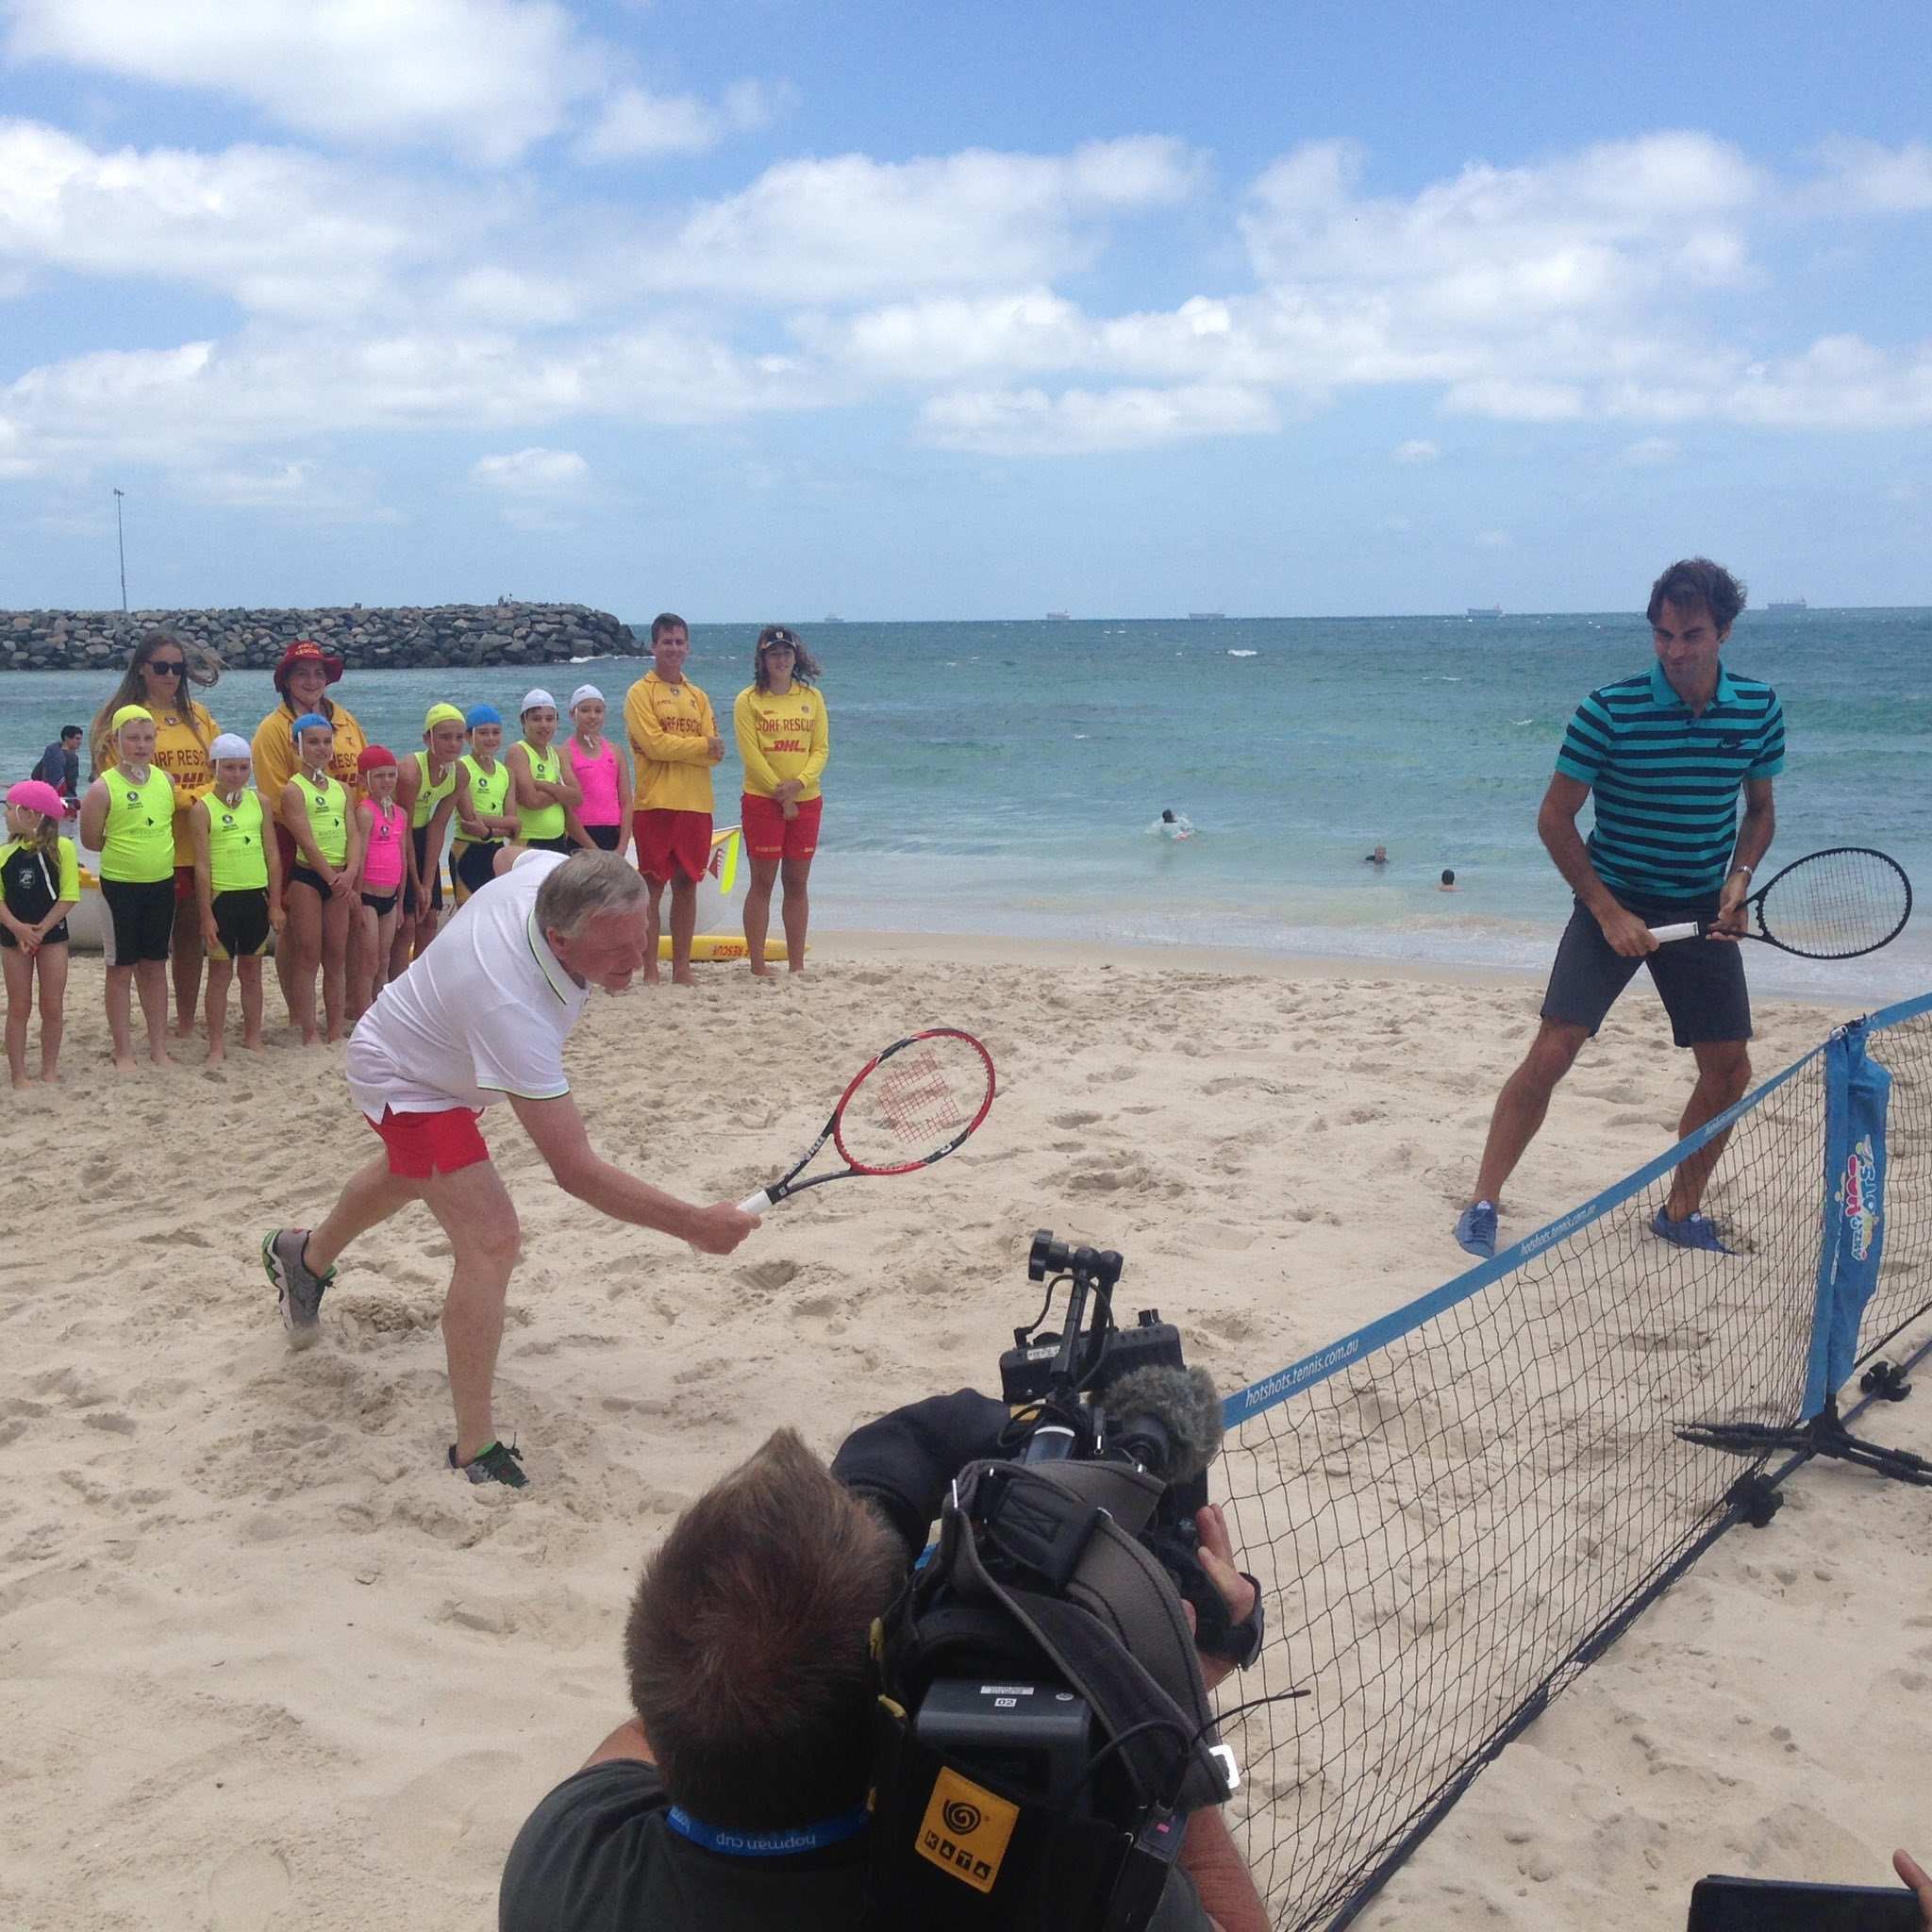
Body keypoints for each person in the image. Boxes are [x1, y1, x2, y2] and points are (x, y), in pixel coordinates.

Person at [498, 1419, 1268, 1930]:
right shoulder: (1054, 1894)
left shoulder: (566, 1867)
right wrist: (1160, 1699)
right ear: (896, 1697)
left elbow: (665, 1722)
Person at [259, 849, 758, 1487]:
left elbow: (499, 853)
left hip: (452, 1059)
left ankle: (302, 1258)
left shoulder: (553, 875)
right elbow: (575, 1170)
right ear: (557, 937)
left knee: (412, 1174)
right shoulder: (510, 1006)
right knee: (491, 1239)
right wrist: (694, 1224)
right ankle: (475, 1449)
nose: (638, 960)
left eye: (643, 936)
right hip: (408, 1078)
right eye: (617, 952)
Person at [1455, 558, 1783, 1261]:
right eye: (1662, 634)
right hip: (1614, 897)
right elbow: (1554, 820)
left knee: (1729, 1071)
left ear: (1724, 631)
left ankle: (1680, 1209)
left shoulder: (1759, 709)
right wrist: (1605, 912)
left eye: (1691, 634)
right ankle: (1482, 1200)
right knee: (1553, 1049)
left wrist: (1739, 880)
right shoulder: (1608, 711)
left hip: (1701, 905)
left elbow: (1759, 812)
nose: (1674, 651)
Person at [90, 631, 221, 1040]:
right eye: (161, 667)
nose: (170, 675)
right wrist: (183, 797)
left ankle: (183, 1020)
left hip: (196, 843)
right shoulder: (126, 718)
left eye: (177, 668)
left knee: (189, 937)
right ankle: (140, 1030)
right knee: (141, 951)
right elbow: (115, 780)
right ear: (143, 669)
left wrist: (193, 799)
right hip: (146, 850)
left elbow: (222, 770)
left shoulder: (198, 716)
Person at [251, 640, 370, 1024]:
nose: (311, 680)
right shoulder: (272, 730)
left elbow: (362, 778)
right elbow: (274, 795)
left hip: (346, 832)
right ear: (285, 680)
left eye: (319, 672)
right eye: (301, 672)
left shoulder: (347, 721)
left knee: (347, 924)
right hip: (293, 839)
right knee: (295, 934)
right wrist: (315, 845)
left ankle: (347, 1008)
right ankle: (296, 1012)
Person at [78, 705, 177, 1071]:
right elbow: (90, 840)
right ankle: (123, 1051)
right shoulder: (104, 787)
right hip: (119, 888)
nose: (140, 745)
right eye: (132, 738)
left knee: (154, 966)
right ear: (116, 741)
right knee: (120, 968)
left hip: (161, 885)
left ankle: (158, 1047)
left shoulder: (165, 781)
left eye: (147, 738)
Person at [625, 616, 722, 986]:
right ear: (653, 646)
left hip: (696, 802)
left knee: (688, 884)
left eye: (680, 642)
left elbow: (716, 753)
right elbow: (653, 744)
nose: (674, 648)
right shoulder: (640, 692)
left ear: (688, 647)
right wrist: (698, 747)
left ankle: (682, 968)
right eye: (667, 642)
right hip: (655, 803)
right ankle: (649, 969)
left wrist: (686, 749)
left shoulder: (699, 696)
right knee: (651, 886)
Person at [735, 625, 829, 978]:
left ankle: (796, 964)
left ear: (795, 657)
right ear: (762, 658)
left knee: (797, 883)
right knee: (762, 883)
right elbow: (751, 754)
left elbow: (820, 749)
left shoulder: (812, 698)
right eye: (773, 653)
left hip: (807, 799)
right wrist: (780, 790)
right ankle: (758, 965)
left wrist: (800, 784)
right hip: (763, 800)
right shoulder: (748, 700)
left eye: (786, 653)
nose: (780, 659)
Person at [190, 734, 284, 1062]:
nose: (236, 774)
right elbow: (201, 866)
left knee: (252, 972)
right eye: (229, 767)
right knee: (219, 974)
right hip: (221, 900)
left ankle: (252, 1036)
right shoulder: (203, 809)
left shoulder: (261, 803)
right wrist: (205, 915)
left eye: (244, 767)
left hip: (255, 898)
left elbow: (272, 854)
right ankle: (216, 1043)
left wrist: (275, 902)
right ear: (213, 767)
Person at [279, 712, 363, 1047]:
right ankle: (309, 1030)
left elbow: (353, 833)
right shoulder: (293, 790)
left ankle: (333, 1029)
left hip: (340, 878)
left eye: (326, 741)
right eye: (313, 742)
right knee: (308, 954)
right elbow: (305, 840)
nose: (321, 748)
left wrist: (351, 872)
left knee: (336, 956)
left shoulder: (343, 788)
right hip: (310, 878)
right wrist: (331, 878)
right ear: (297, 745)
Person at [2, 779, 77, 1087]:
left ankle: (49, 1069)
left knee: (52, 1005)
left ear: (30, 814)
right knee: (19, 1005)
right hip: (12, 936)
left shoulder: (63, 849)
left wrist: (41, 930)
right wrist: (18, 928)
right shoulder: (5, 853)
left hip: (52, 934)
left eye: (8, 808)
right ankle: (19, 1074)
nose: (5, 814)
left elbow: (69, 895)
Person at [391, 703, 466, 974]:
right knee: (407, 924)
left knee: (430, 920)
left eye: (459, 737)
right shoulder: (411, 770)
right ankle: (394, 988)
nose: (454, 744)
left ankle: (418, 984)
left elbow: (438, 826)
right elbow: (405, 828)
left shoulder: (460, 773)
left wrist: (427, 881)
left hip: (425, 836)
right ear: (428, 739)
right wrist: (415, 882)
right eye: (445, 737)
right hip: (398, 837)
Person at [351, 745, 407, 1024]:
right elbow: (359, 858)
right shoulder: (365, 812)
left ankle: (380, 1016)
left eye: (391, 775)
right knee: (369, 961)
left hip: (390, 897)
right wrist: (357, 898)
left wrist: (400, 902)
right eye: (380, 776)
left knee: (384, 960)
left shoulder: (400, 814)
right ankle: (362, 1016)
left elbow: (402, 859)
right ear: (365, 780)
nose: (387, 781)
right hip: (368, 897)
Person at [449, 704, 518, 905]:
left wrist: (488, 829)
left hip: (496, 853)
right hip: (466, 852)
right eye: (483, 733)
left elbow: (514, 825)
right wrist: (504, 825)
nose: (490, 738)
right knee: (467, 914)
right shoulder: (461, 767)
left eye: (495, 732)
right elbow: (468, 819)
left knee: (495, 914)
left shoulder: (506, 773)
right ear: (469, 737)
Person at [508, 689, 583, 857]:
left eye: (549, 719)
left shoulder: (558, 753)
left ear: (557, 722)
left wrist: (543, 785)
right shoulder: (518, 751)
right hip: (528, 842)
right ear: (523, 721)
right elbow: (531, 801)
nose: (544, 725)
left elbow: (577, 797)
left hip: (558, 840)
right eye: (536, 719)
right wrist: (562, 791)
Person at [565, 684, 631, 858]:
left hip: (613, 834)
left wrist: (623, 846)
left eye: (598, 711)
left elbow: (626, 802)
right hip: (579, 834)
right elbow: (566, 809)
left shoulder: (615, 752)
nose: (592, 716)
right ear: (573, 714)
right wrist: (592, 848)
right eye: (585, 710)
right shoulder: (564, 753)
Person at [34, 725, 83, 803]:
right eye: (77, 738)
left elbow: (35, 774)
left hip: (46, 795)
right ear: (67, 738)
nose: (80, 742)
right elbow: (72, 783)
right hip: (65, 798)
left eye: (80, 739)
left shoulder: (51, 753)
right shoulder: (72, 757)